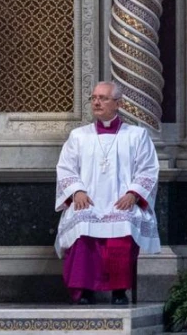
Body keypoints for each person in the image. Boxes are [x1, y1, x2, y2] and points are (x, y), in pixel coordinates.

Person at [54, 80, 160, 305]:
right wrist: (77, 192)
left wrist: (133, 194)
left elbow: (148, 168)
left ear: (118, 103)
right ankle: (84, 290)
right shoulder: (79, 136)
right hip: (88, 201)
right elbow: (65, 168)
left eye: (103, 98)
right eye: (94, 98)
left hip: (121, 202)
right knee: (82, 225)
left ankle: (119, 290)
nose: (97, 102)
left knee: (123, 225)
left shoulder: (137, 136)